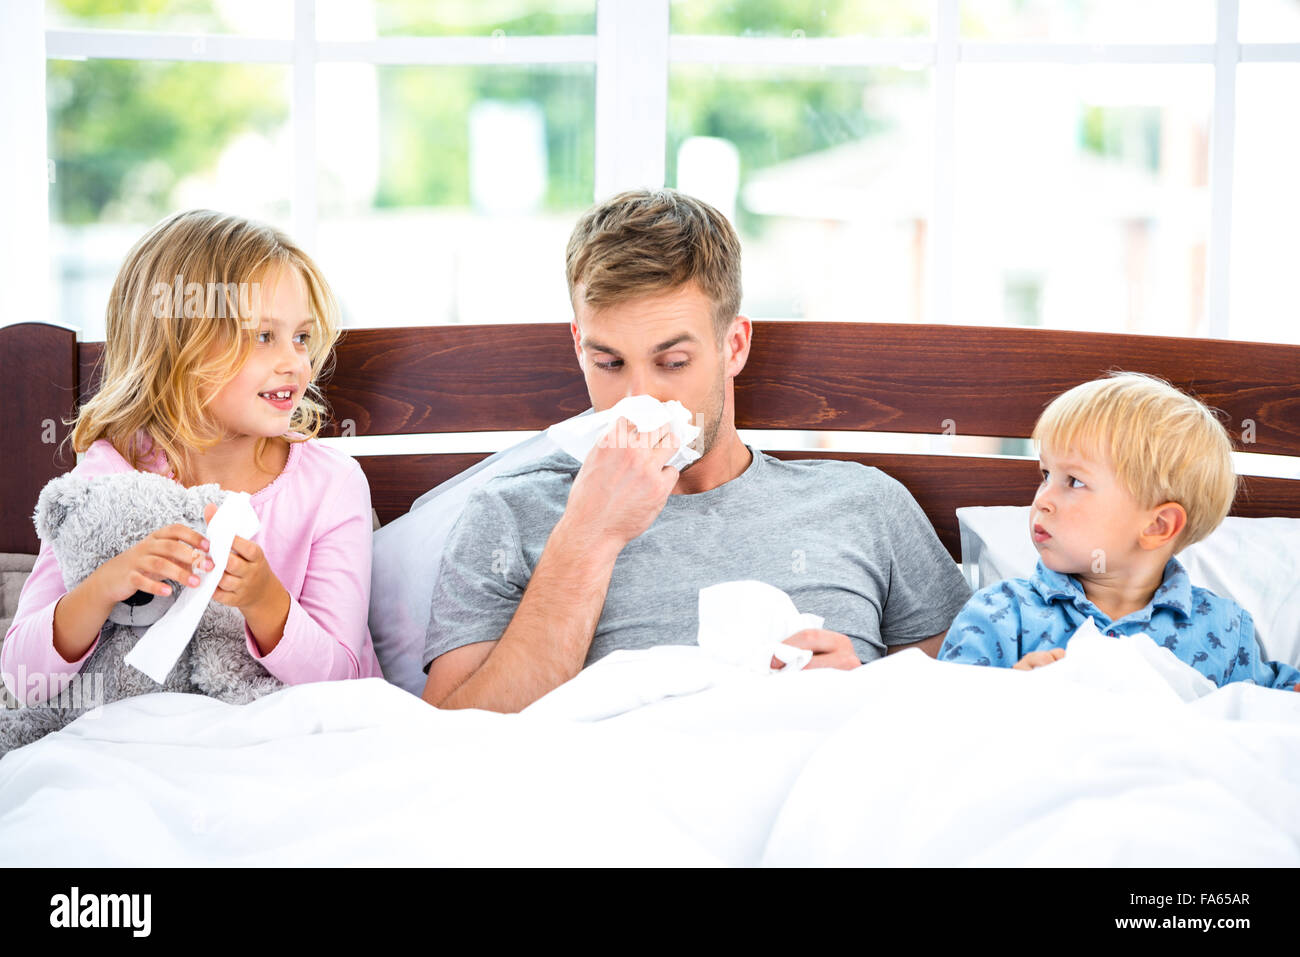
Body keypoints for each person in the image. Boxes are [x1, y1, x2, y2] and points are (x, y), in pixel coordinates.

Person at [423, 188, 971, 712]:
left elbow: (973, 703)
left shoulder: (862, 504)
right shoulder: (511, 514)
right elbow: (447, 746)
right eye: (609, 363)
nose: (639, 398)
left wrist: (864, 693)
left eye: (673, 362)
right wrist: (589, 533)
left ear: (733, 345)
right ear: (578, 347)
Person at [2, 209, 381, 706]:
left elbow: (344, 681)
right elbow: (21, 677)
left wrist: (265, 601)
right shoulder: (112, 474)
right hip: (149, 740)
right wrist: (103, 587)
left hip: (287, 738)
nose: (296, 362)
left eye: (302, 337)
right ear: (179, 345)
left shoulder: (331, 484)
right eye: (264, 336)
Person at [939, 373, 1300, 691]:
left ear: (1157, 526)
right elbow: (941, 717)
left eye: (1075, 481)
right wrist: (1011, 694)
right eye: (1046, 475)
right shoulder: (1000, 613)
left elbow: (1267, 713)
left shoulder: (1224, 629)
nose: (1043, 500)